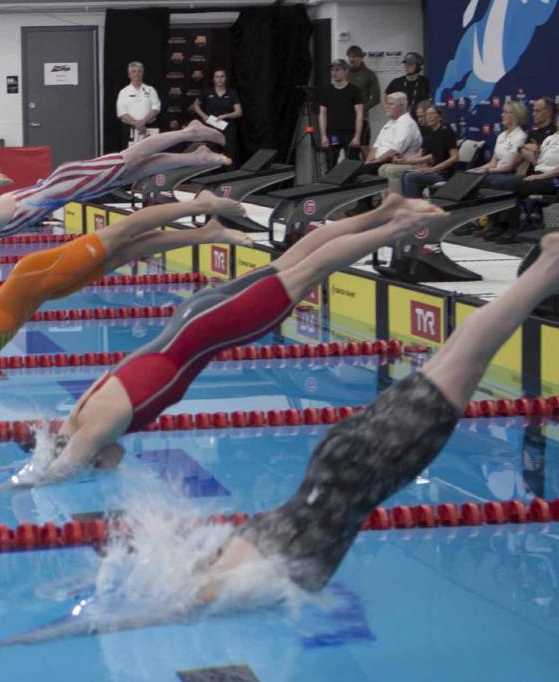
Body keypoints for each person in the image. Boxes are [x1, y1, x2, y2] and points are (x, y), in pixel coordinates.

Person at [189, 231, 559, 602]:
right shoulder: (254, 547)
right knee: (459, 353)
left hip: (368, 466)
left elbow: (201, 597)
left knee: (470, 355)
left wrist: (147, 619)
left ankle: (546, 269)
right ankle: (543, 271)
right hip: (336, 464)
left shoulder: (249, 573)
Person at [2, 192, 445, 489]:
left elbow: (68, 470)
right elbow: (87, 454)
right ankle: (384, 211)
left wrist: (8, 489)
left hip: (212, 328)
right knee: (294, 260)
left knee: (308, 271)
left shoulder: (95, 429)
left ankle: (396, 228)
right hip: (193, 317)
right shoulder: (80, 415)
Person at [0, 192, 255, 397]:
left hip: (35, 279)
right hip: (43, 293)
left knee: (125, 231)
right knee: (124, 254)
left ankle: (199, 206)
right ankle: (208, 233)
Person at [0, 121, 231, 308]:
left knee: (131, 158)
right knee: (133, 171)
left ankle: (190, 133)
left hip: (69, 183)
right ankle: (196, 156)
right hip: (71, 187)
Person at [398, 104, 459, 198]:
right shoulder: (431, 132)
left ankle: (414, 208)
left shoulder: (446, 131)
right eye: (427, 115)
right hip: (433, 170)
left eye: (432, 114)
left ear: (440, 117)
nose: (429, 117)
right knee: (405, 174)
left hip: (444, 173)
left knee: (410, 177)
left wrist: (434, 169)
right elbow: (431, 156)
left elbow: (455, 157)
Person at [316, 58, 364, 169]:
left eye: (338, 70)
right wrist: (323, 136)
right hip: (333, 135)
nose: (334, 73)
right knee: (331, 164)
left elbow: (359, 114)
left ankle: (353, 185)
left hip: (349, 134)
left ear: (345, 71)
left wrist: (357, 136)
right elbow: (322, 114)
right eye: (332, 70)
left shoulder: (354, 90)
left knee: (352, 164)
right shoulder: (327, 91)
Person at [190, 69, 243, 160]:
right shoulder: (207, 92)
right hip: (211, 126)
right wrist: (204, 116)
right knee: (211, 152)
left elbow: (239, 112)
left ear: (226, 78)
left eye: (222, 76)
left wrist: (226, 115)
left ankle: (230, 173)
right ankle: (213, 174)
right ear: (213, 79)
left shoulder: (232, 93)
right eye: (217, 77)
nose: (219, 79)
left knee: (229, 154)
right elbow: (195, 105)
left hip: (228, 127)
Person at [115, 61, 161, 149]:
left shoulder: (150, 90)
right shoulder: (124, 92)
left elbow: (156, 108)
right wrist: (137, 125)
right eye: (134, 71)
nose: (137, 74)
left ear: (143, 74)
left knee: (151, 157)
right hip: (130, 130)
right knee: (130, 158)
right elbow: (122, 113)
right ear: (129, 75)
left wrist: (143, 122)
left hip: (149, 129)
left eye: (139, 71)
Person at [345, 45, 381, 142]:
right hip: (344, 117)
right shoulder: (344, 72)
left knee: (362, 145)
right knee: (344, 146)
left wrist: (362, 108)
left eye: (355, 56)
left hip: (361, 117)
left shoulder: (369, 74)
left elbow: (376, 97)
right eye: (350, 56)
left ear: (361, 58)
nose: (352, 59)